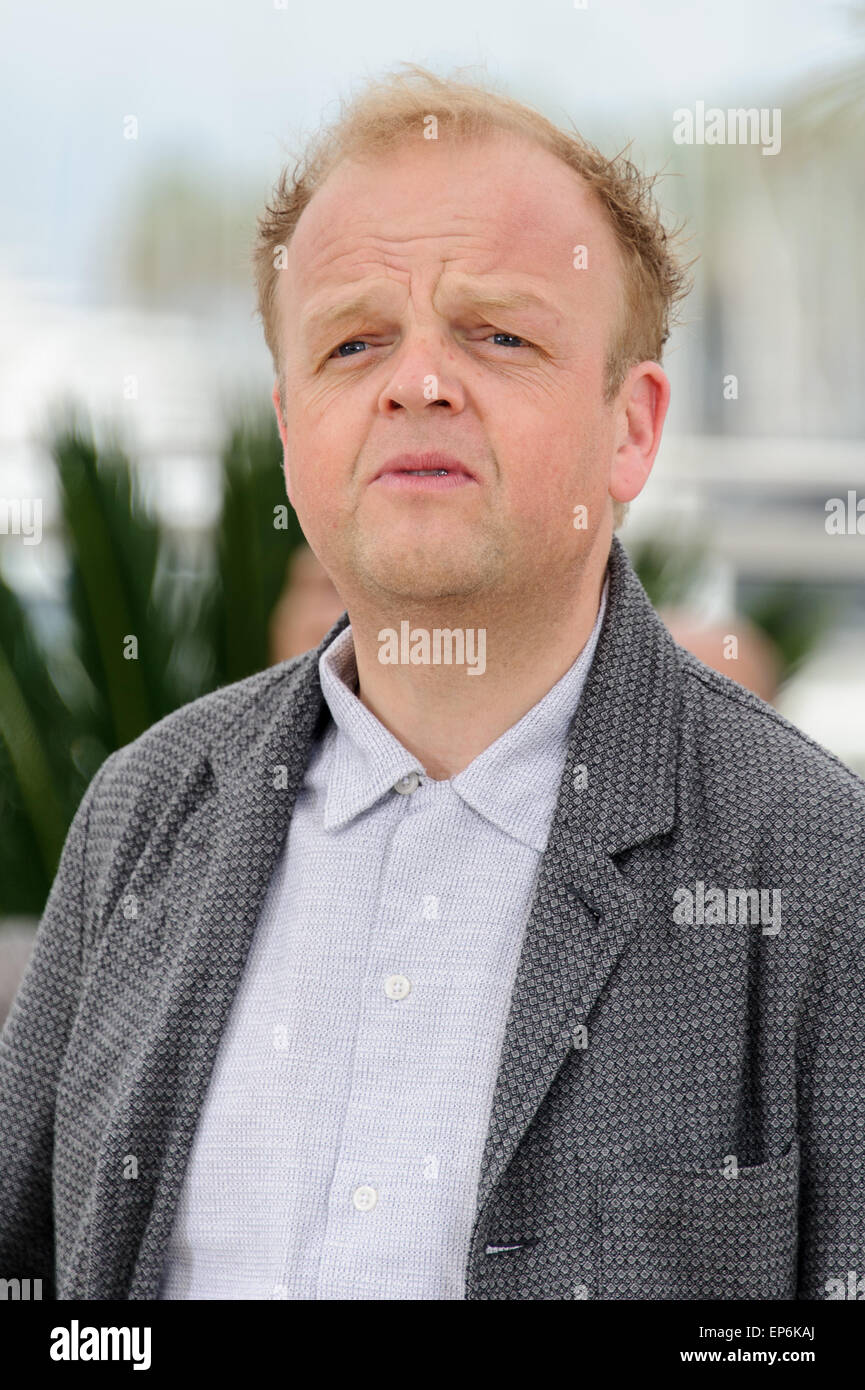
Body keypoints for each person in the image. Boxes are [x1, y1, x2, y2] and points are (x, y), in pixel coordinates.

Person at [1, 64, 863, 1302]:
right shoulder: (141, 817)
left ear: (632, 428)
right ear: (293, 423)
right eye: (355, 342)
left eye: (497, 333)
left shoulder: (816, 869)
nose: (416, 382)